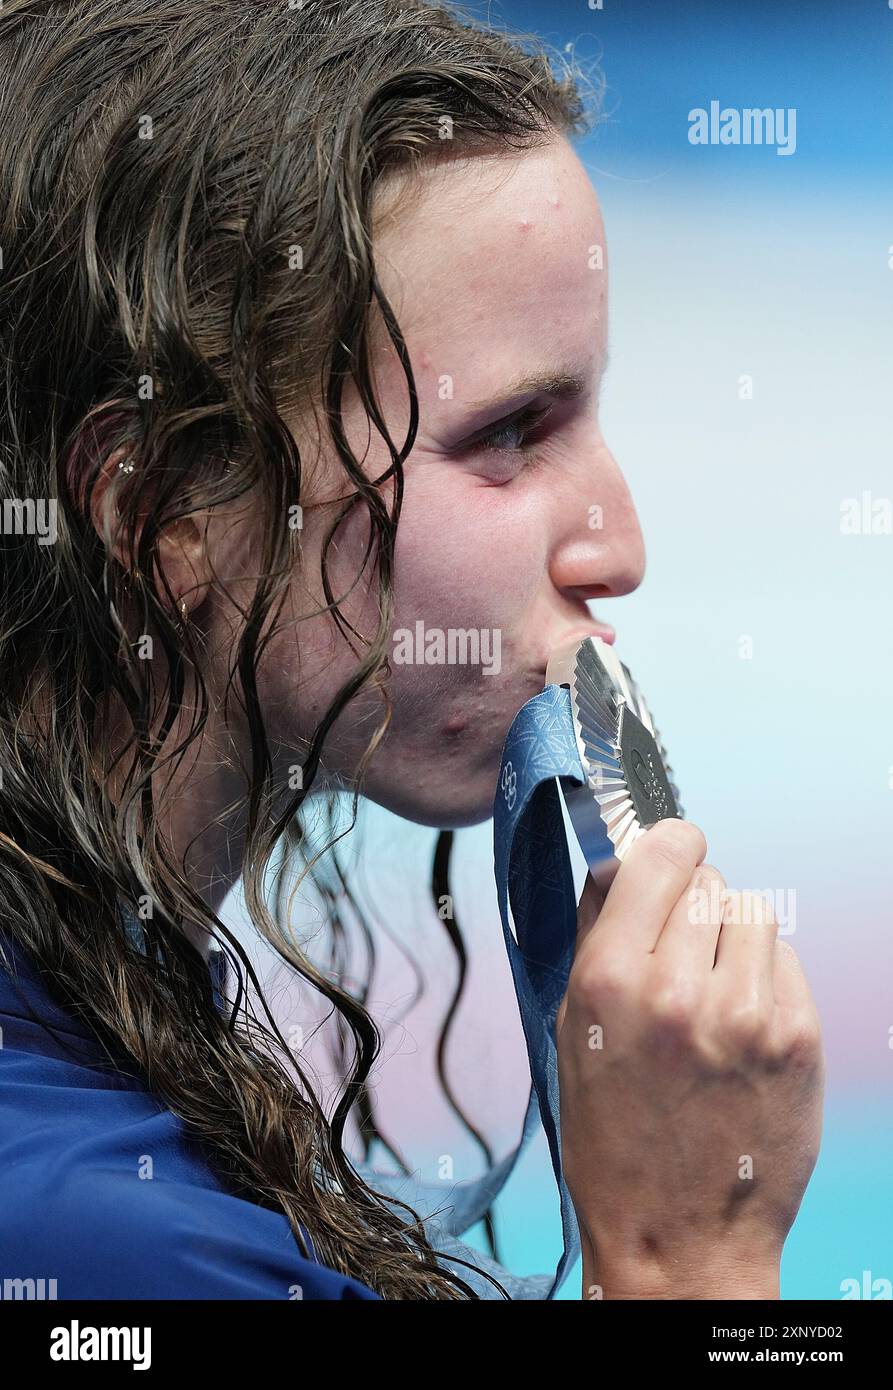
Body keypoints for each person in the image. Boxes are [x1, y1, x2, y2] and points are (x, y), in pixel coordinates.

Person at [0, 0, 823, 1300]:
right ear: (159, 511)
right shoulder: (116, 1247)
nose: (618, 546)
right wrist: (686, 1259)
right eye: (508, 431)